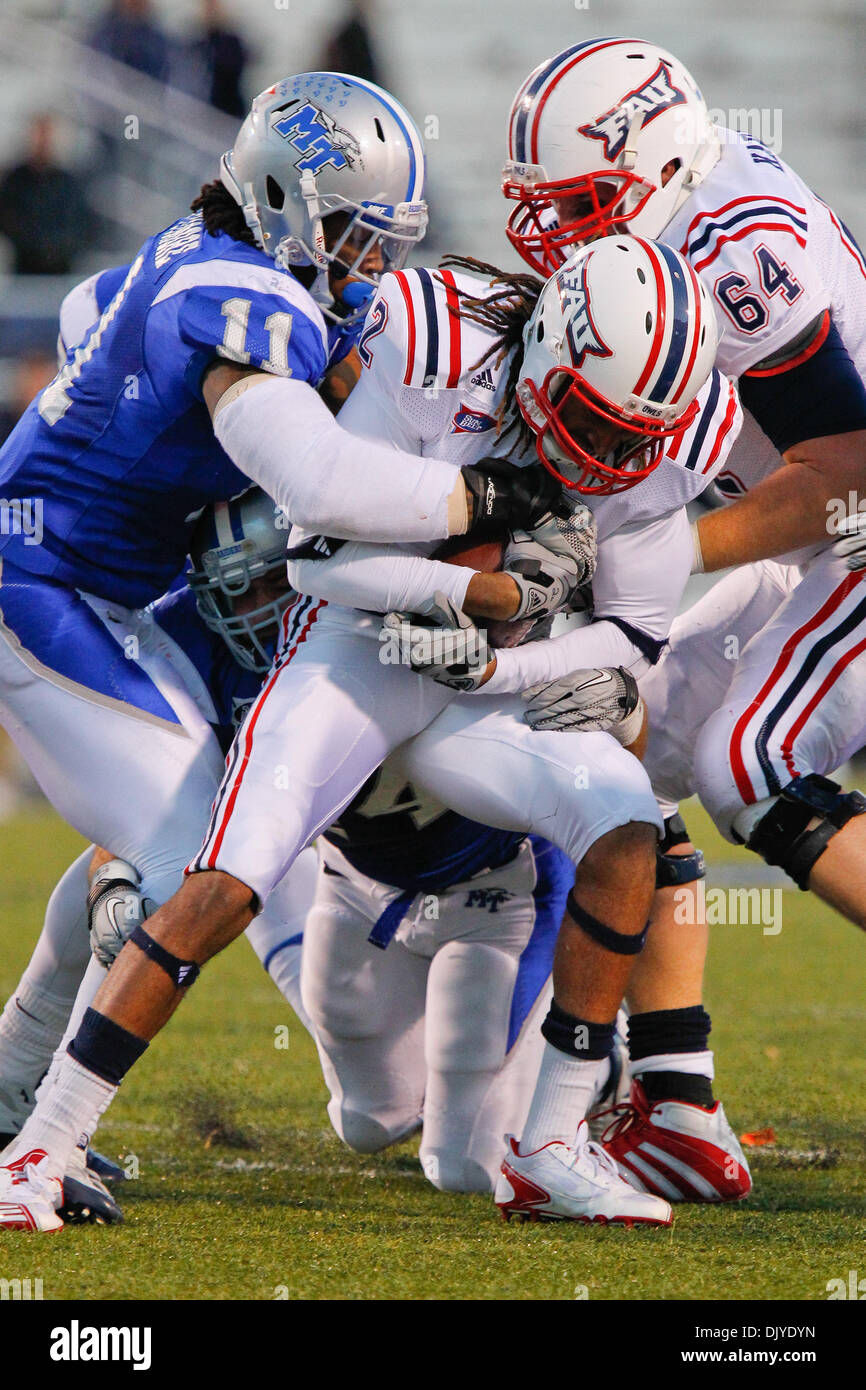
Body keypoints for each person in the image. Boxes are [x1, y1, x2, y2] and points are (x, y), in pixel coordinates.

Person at [0, 234, 743, 1232]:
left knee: (625, 818)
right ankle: (44, 1142)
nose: (602, 460)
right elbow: (314, 566)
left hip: (480, 688)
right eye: (588, 424)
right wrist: (474, 585)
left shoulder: (663, 442)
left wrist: (542, 668)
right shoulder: (429, 344)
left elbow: (634, 638)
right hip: (357, 648)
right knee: (226, 876)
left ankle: (557, 1139)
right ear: (545, 356)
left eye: (628, 440)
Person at [501, 36, 866, 1201]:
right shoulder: (678, 212)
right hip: (826, 533)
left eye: (581, 205)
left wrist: (655, 559)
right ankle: (675, 1102)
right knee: (625, 742)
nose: (557, 235)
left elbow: (845, 469)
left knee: (748, 756)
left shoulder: (728, 237)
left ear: (651, 163)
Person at [0, 115, 89, 276]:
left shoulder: (66, 181)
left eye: (46, 135)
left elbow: (79, 222)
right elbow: (9, 221)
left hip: (61, 270)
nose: (42, 141)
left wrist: (58, 248)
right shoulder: (15, 180)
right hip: (25, 270)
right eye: (38, 135)